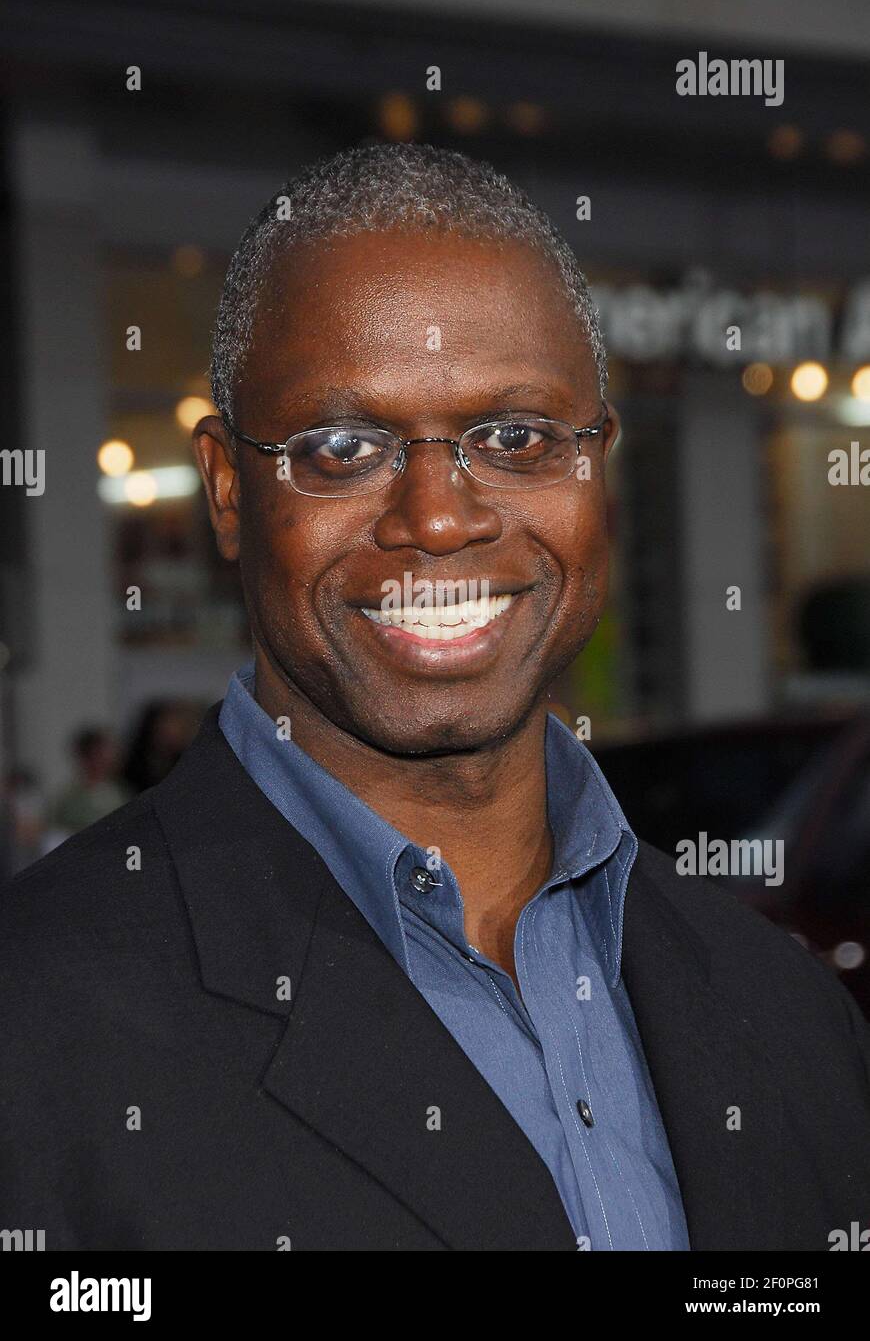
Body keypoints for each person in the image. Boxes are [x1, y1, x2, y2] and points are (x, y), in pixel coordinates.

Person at [1, 143, 868, 1251]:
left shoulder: (788, 1015)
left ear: (597, 462)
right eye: (342, 445)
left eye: (514, 438)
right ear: (226, 488)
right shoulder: (36, 1025)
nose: (439, 518)